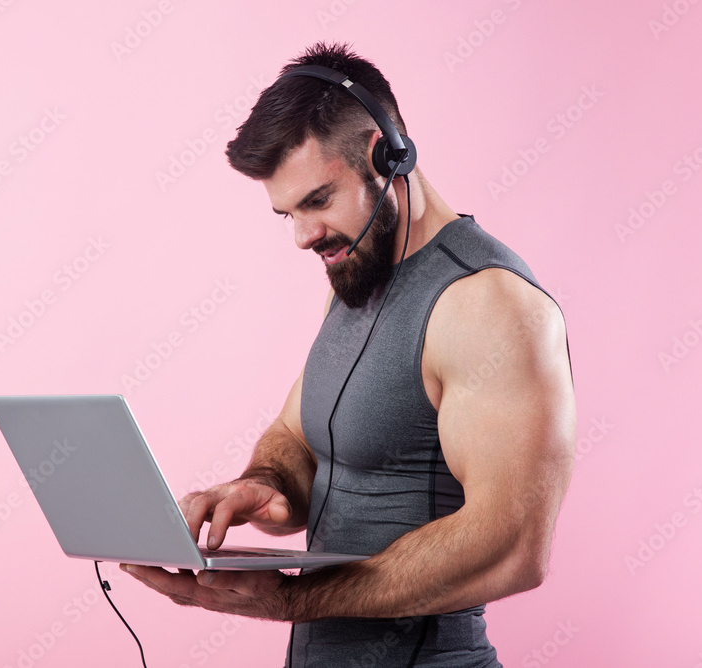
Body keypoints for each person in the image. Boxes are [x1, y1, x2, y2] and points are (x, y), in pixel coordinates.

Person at [122, 42, 576, 667]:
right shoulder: (358, 273)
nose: (305, 235)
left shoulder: (488, 304)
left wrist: (293, 601)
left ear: (384, 157)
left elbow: (514, 544)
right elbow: (298, 433)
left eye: (317, 200)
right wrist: (263, 486)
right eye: (287, 213)